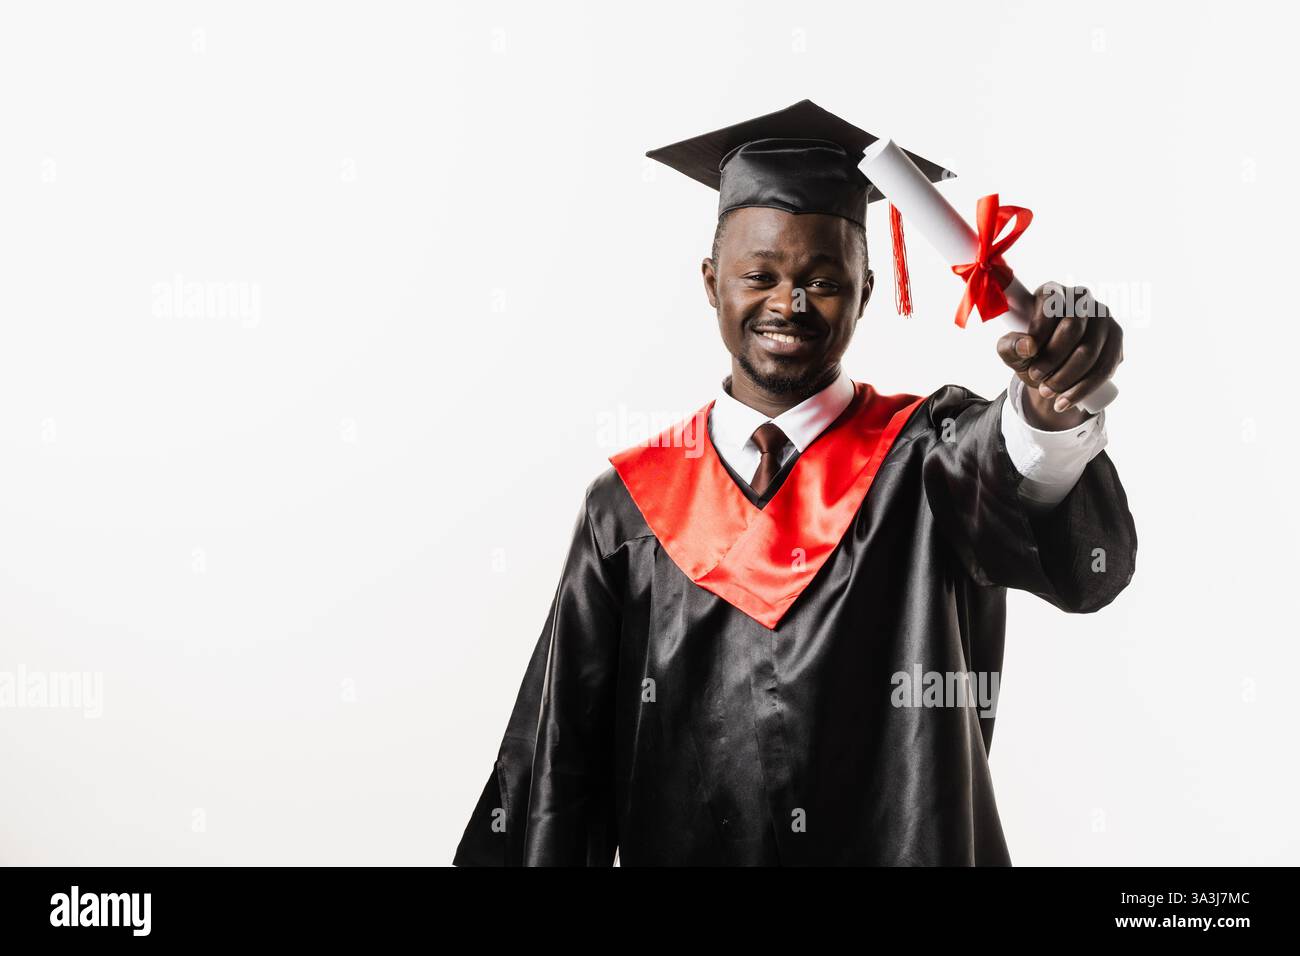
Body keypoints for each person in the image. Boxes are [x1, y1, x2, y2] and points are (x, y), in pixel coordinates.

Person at [453, 100, 1136, 866]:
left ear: (868, 291)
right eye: (760, 275)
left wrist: (1047, 406)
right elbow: (559, 764)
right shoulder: (628, 508)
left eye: (824, 280)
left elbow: (1012, 461)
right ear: (712, 283)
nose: (791, 302)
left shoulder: (928, 458)